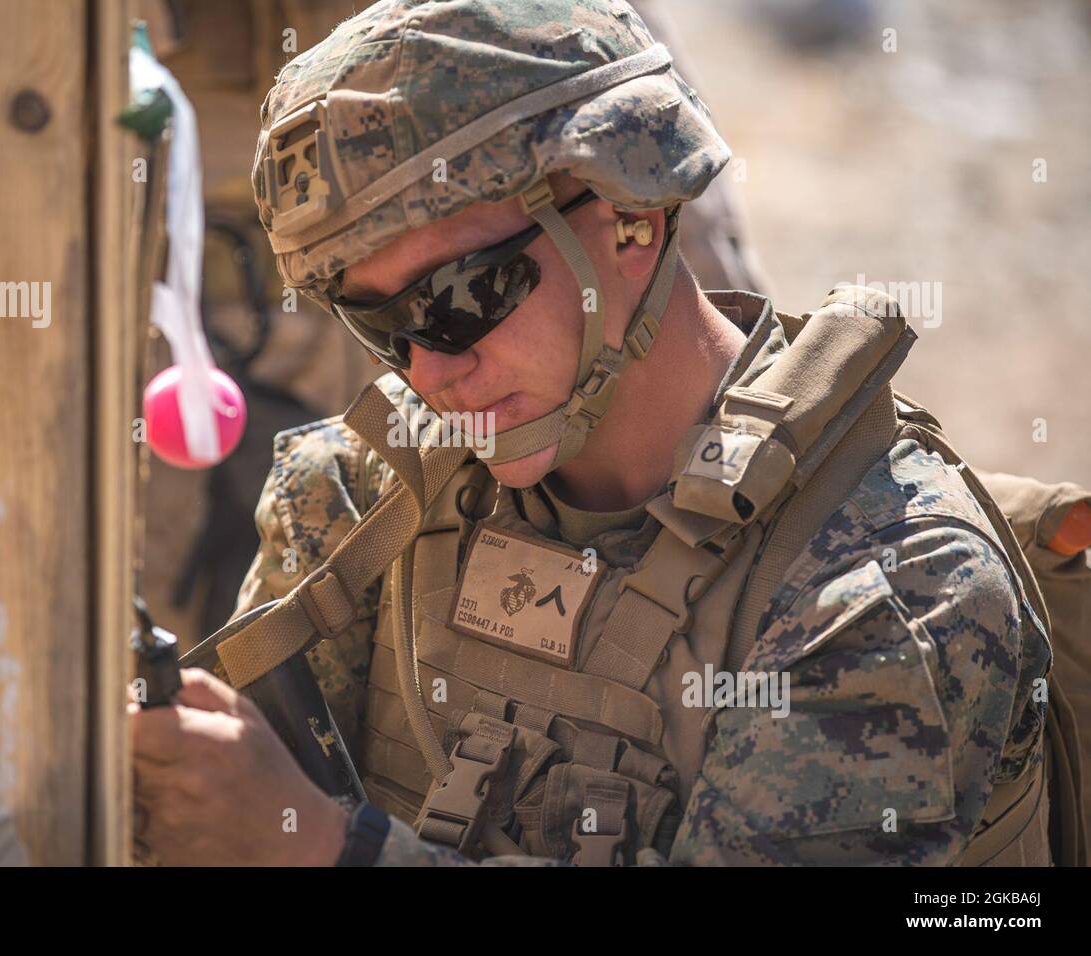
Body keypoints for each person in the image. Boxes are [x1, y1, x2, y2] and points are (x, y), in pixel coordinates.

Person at [131, 0, 1053, 866]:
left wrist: (321, 850)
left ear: (630, 217)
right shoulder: (362, 497)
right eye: (379, 325)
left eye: (460, 302)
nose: (426, 371)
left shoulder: (883, 589)